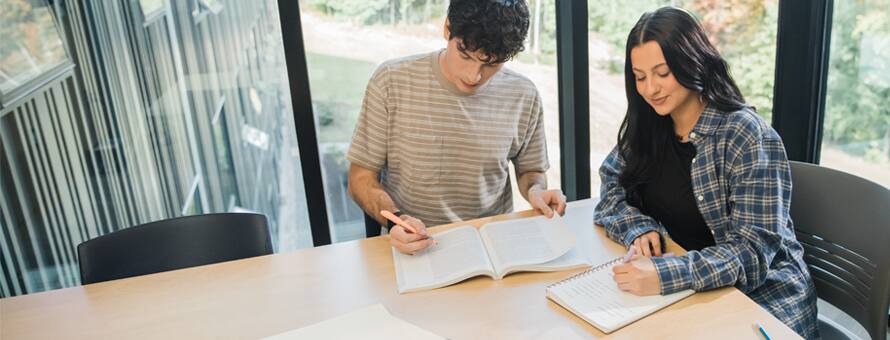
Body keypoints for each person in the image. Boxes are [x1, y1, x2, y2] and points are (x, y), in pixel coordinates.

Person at [594, 7, 818, 338]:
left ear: (692, 62)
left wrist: (668, 274)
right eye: (640, 77)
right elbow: (611, 185)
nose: (650, 88)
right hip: (696, 293)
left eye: (663, 73)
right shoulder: (652, 125)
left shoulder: (746, 135)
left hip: (763, 302)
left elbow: (752, 252)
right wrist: (638, 230)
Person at [347, 0, 566, 255]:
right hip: (415, 246)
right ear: (447, 28)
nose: (474, 76)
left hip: (492, 247)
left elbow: (531, 170)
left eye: (491, 64)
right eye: (465, 55)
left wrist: (536, 191)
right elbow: (360, 179)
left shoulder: (523, 94)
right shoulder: (390, 81)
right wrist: (398, 219)